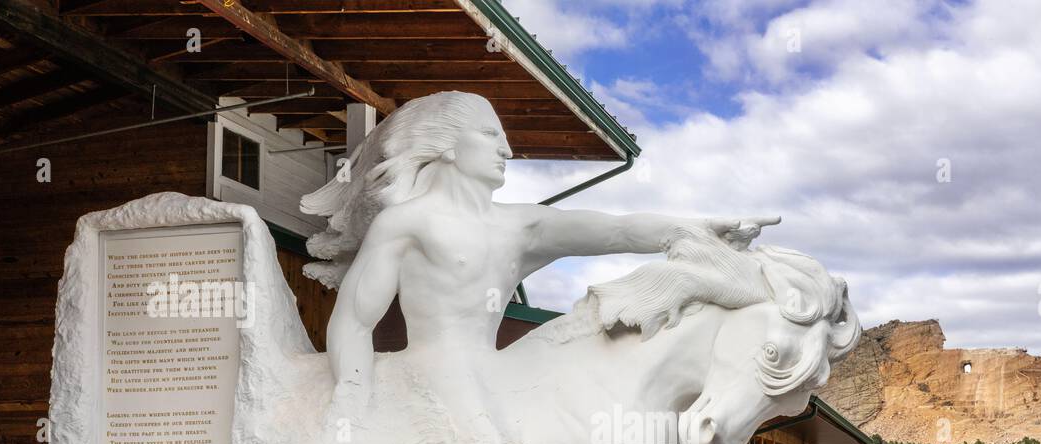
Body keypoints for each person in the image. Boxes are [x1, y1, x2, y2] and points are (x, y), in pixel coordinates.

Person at [300, 91, 778, 420]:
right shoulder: (407, 223)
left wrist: (693, 229)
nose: (507, 149)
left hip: (493, 378)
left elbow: (616, 229)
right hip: (433, 385)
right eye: (490, 135)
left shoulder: (522, 226)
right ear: (444, 145)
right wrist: (353, 397)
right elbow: (354, 323)